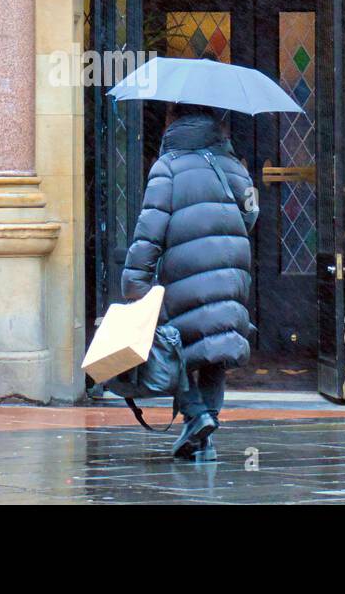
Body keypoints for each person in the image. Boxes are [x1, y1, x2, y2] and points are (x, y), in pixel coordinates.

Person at [120, 102, 259, 460]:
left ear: (172, 120)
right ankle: (204, 432)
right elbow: (252, 212)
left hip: (184, 270)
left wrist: (136, 279)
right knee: (216, 344)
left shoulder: (167, 167)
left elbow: (150, 228)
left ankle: (196, 414)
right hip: (230, 267)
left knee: (171, 344)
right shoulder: (232, 164)